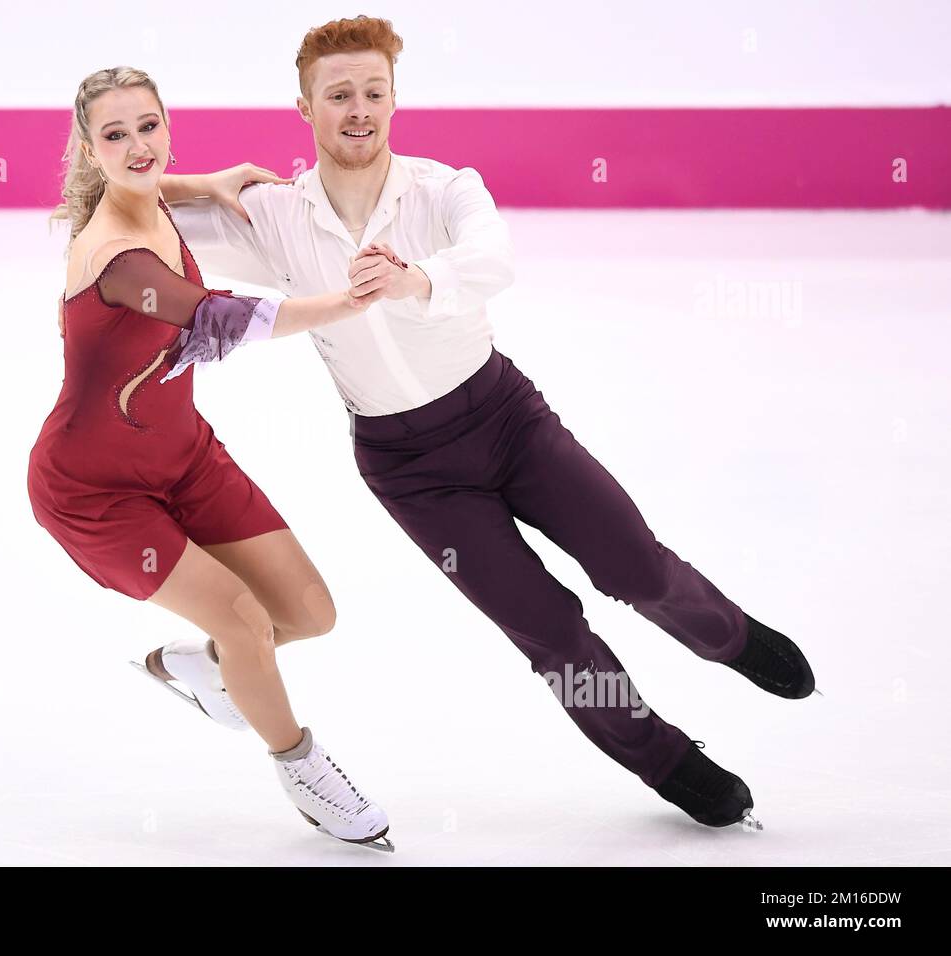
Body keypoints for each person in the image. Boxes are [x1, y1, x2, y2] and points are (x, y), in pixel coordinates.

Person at [156, 15, 818, 830]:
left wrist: (415, 281)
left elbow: (493, 256)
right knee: (551, 634)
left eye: (373, 92)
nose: (358, 109)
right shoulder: (275, 218)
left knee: (636, 569)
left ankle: (730, 636)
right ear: (304, 108)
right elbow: (117, 206)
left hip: (507, 421)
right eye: (338, 96)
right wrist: (195, 181)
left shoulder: (443, 189)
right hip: (411, 471)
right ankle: (667, 760)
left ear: (396, 99)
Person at [28, 66, 399, 850]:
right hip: (94, 489)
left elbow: (156, 182)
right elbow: (218, 319)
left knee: (306, 613)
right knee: (243, 619)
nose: (138, 147)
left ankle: (197, 665)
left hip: (184, 457)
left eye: (149, 126)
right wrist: (348, 302)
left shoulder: (150, 193)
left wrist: (210, 181)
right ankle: (302, 767)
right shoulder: (116, 256)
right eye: (116, 135)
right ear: (90, 150)